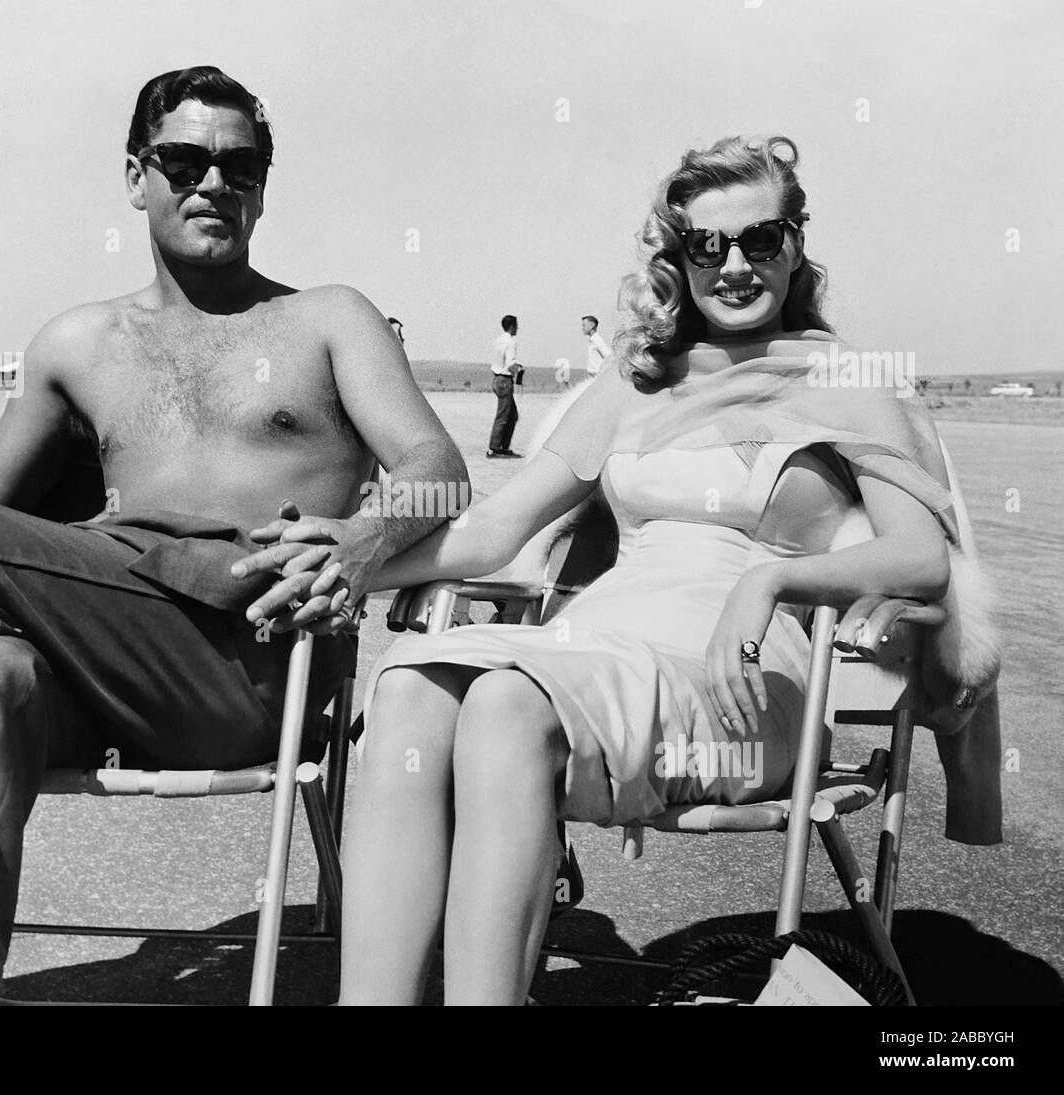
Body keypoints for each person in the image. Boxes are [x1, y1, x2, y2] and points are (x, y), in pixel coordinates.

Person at [0, 65, 466, 1006]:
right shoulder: (78, 344)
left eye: (241, 166)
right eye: (184, 161)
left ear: (264, 187)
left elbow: (438, 468)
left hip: (248, 649)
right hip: (97, 658)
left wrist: (362, 540)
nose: (215, 183)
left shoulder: (328, 318)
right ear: (136, 177)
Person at [323, 135, 974, 1005]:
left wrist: (770, 580)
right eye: (708, 245)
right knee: (409, 686)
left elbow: (922, 555)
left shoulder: (846, 380)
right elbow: (494, 531)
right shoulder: (637, 384)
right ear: (678, 256)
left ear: (796, 245)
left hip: (742, 678)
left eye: (760, 241)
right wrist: (343, 567)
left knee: (507, 700)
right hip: (602, 644)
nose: (734, 265)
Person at [487, 315, 522, 458]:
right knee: (504, 415)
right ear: (512, 326)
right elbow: (510, 363)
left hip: (497, 378)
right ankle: (495, 448)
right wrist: (518, 370)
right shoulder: (511, 342)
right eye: (516, 325)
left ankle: (503, 447)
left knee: (511, 414)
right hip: (505, 380)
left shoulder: (498, 341)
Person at [581, 314, 611, 380]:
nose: (582, 328)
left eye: (584, 325)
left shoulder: (597, 340)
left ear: (592, 325)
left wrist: (601, 374)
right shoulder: (593, 340)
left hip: (596, 376)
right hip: (592, 376)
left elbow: (608, 356)